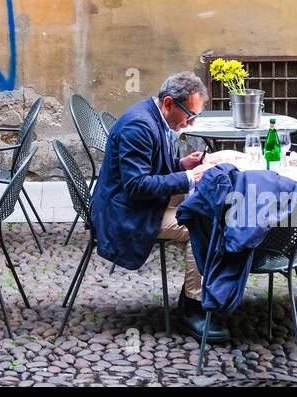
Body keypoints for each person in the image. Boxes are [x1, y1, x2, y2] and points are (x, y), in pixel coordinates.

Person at [90, 71, 228, 342]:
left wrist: (182, 165)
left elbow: (150, 171)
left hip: (141, 202)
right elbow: (137, 185)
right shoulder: (138, 127)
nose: (190, 122)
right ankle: (193, 307)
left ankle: (205, 289)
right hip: (127, 214)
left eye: (195, 116)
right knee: (203, 226)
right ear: (168, 103)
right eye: (189, 115)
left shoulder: (154, 118)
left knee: (211, 207)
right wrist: (189, 177)